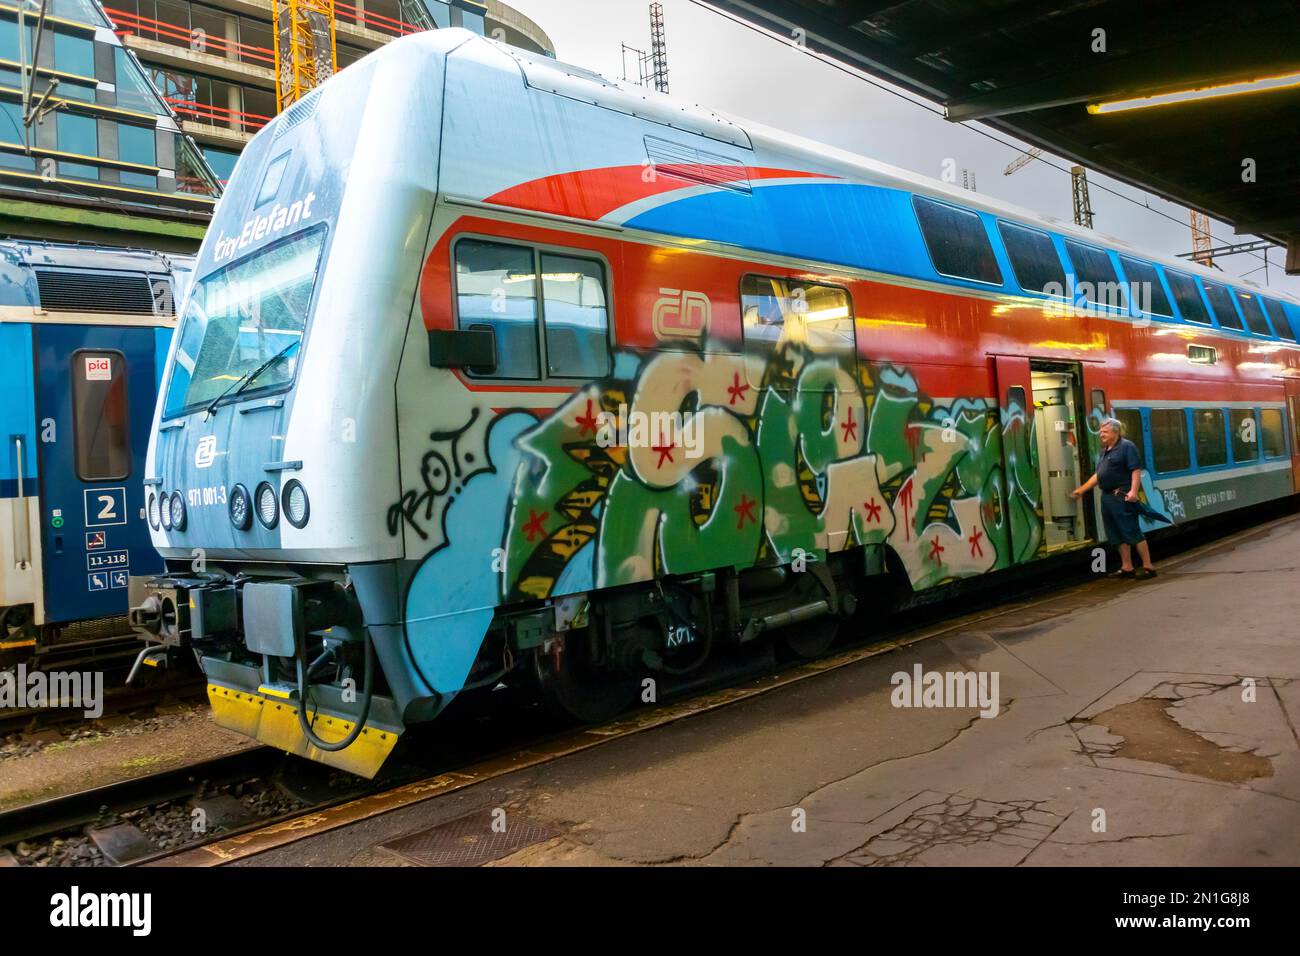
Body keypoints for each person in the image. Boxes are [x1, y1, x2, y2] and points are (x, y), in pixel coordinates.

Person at [1071, 418, 1156, 580]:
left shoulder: (1126, 447)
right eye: (1101, 431)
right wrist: (1081, 490)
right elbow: (1099, 475)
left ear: (1115, 432)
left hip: (1122, 495)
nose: (1101, 434)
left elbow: (1135, 470)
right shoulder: (1106, 450)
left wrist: (1133, 491)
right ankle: (1127, 567)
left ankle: (1148, 566)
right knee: (1116, 533)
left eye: (1105, 432)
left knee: (1132, 531)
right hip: (1108, 497)